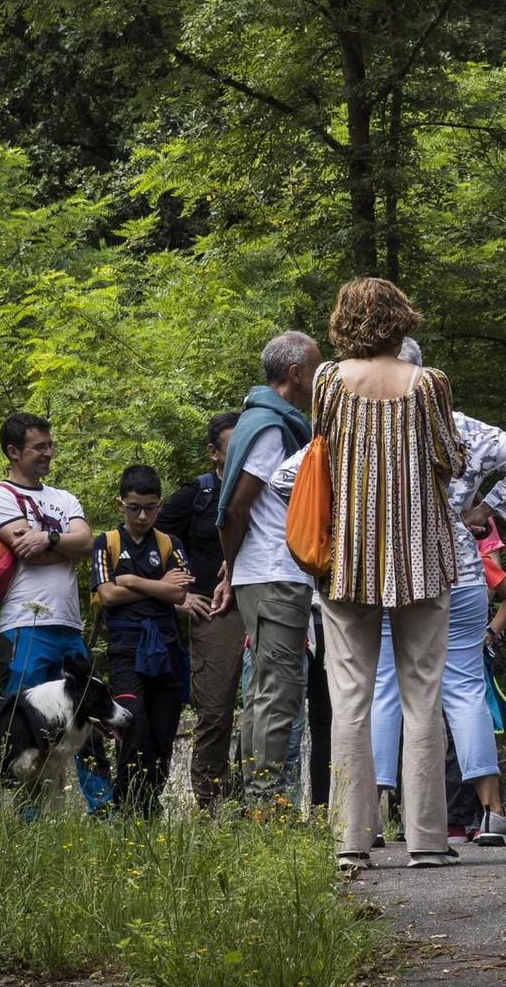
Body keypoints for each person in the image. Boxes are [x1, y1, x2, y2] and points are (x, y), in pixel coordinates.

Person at [310, 278, 467, 873]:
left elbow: (323, 449)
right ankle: (426, 840)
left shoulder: (327, 379)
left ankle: (353, 839)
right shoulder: (428, 383)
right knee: (421, 693)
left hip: (347, 559)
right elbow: (452, 457)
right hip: (421, 557)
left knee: (348, 696)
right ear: (402, 319)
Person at [371, 339, 506, 848]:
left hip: (387, 573)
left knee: (385, 686)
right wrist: (486, 509)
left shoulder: (360, 428)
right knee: (465, 687)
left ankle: (372, 817)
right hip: (460, 572)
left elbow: (285, 478)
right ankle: (493, 813)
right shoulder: (462, 426)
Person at [0, 411, 110, 809]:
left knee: (89, 714)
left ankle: (102, 805)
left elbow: (88, 544)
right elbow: (27, 554)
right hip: (25, 624)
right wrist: (62, 541)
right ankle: (27, 813)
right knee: (25, 721)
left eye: (50, 445)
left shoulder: (64, 498)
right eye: (39, 447)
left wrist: (47, 538)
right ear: (14, 451)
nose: (48, 453)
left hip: (68, 624)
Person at [215, 331, 321, 801]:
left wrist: (231, 569)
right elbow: (236, 507)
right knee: (279, 691)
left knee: (262, 690)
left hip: (263, 571)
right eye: (316, 370)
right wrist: (230, 565)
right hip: (276, 571)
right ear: (295, 373)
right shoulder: (272, 428)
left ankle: (257, 800)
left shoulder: (259, 420)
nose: (321, 381)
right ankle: (267, 805)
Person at [91, 464, 194, 815]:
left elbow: (180, 595)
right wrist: (158, 587)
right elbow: (107, 595)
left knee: (164, 734)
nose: (143, 515)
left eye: (150, 507)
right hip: (125, 651)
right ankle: (126, 803)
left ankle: (149, 808)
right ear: (121, 504)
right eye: (134, 507)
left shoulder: (169, 543)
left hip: (166, 650)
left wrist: (133, 582)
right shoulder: (106, 543)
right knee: (132, 722)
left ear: (159, 505)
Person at [157, 412, 241, 808]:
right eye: (232, 444)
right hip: (215, 612)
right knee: (215, 710)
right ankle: (213, 803)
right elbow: (151, 536)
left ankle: (260, 800)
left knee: (272, 708)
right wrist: (181, 592)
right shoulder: (198, 494)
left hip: (264, 603)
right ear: (213, 453)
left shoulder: (263, 487)